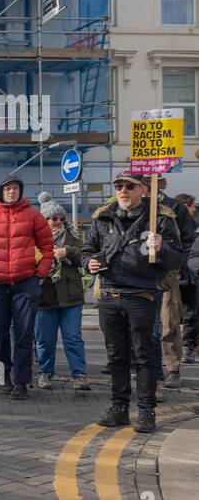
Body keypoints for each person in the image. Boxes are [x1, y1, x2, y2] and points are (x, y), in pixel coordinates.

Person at [84, 172, 182, 433]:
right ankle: (119, 408)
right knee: (117, 356)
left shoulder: (159, 219)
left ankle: (147, 410)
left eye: (129, 186)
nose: (123, 190)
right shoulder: (103, 217)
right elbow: (88, 249)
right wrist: (89, 263)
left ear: (143, 191)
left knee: (143, 355)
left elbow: (176, 260)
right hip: (109, 295)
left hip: (140, 295)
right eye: (119, 186)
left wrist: (161, 247)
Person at [0, 175, 53, 400]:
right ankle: (2, 375)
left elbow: (47, 246)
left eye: (15, 188)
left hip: (26, 283)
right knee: (0, 333)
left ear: (20, 191)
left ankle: (21, 382)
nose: (11, 192)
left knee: (24, 335)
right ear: (1, 192)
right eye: (7, 189)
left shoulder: (33, 216)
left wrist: (41, 273)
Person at [34, 198, 89, 391]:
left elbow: (85, 256)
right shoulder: (35, 237)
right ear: (44, 220)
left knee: (73, 337)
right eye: (52, 218)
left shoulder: (73, 235)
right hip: (45, 294)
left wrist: (68, 252)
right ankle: (45, 373)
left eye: (60, 218)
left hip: (70, 294)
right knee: (45, 339)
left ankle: (79, 375)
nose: (57, 221)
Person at [152, 178, 195, 389]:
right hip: (139, 274)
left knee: (168, 321)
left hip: (168, 273)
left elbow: (188, 240)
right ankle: (148, 369)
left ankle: (172, 368)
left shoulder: (175, 207)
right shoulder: (133, 208)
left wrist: (178, 265)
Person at [177, 193, 198, 364]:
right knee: (172, 315)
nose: (194, 210)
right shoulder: (169, 222)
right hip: (176, 273)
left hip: (190, 275)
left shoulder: (194, 226)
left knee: (190, 312)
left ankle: (187, 347)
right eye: (192, 206)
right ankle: (185, 347)